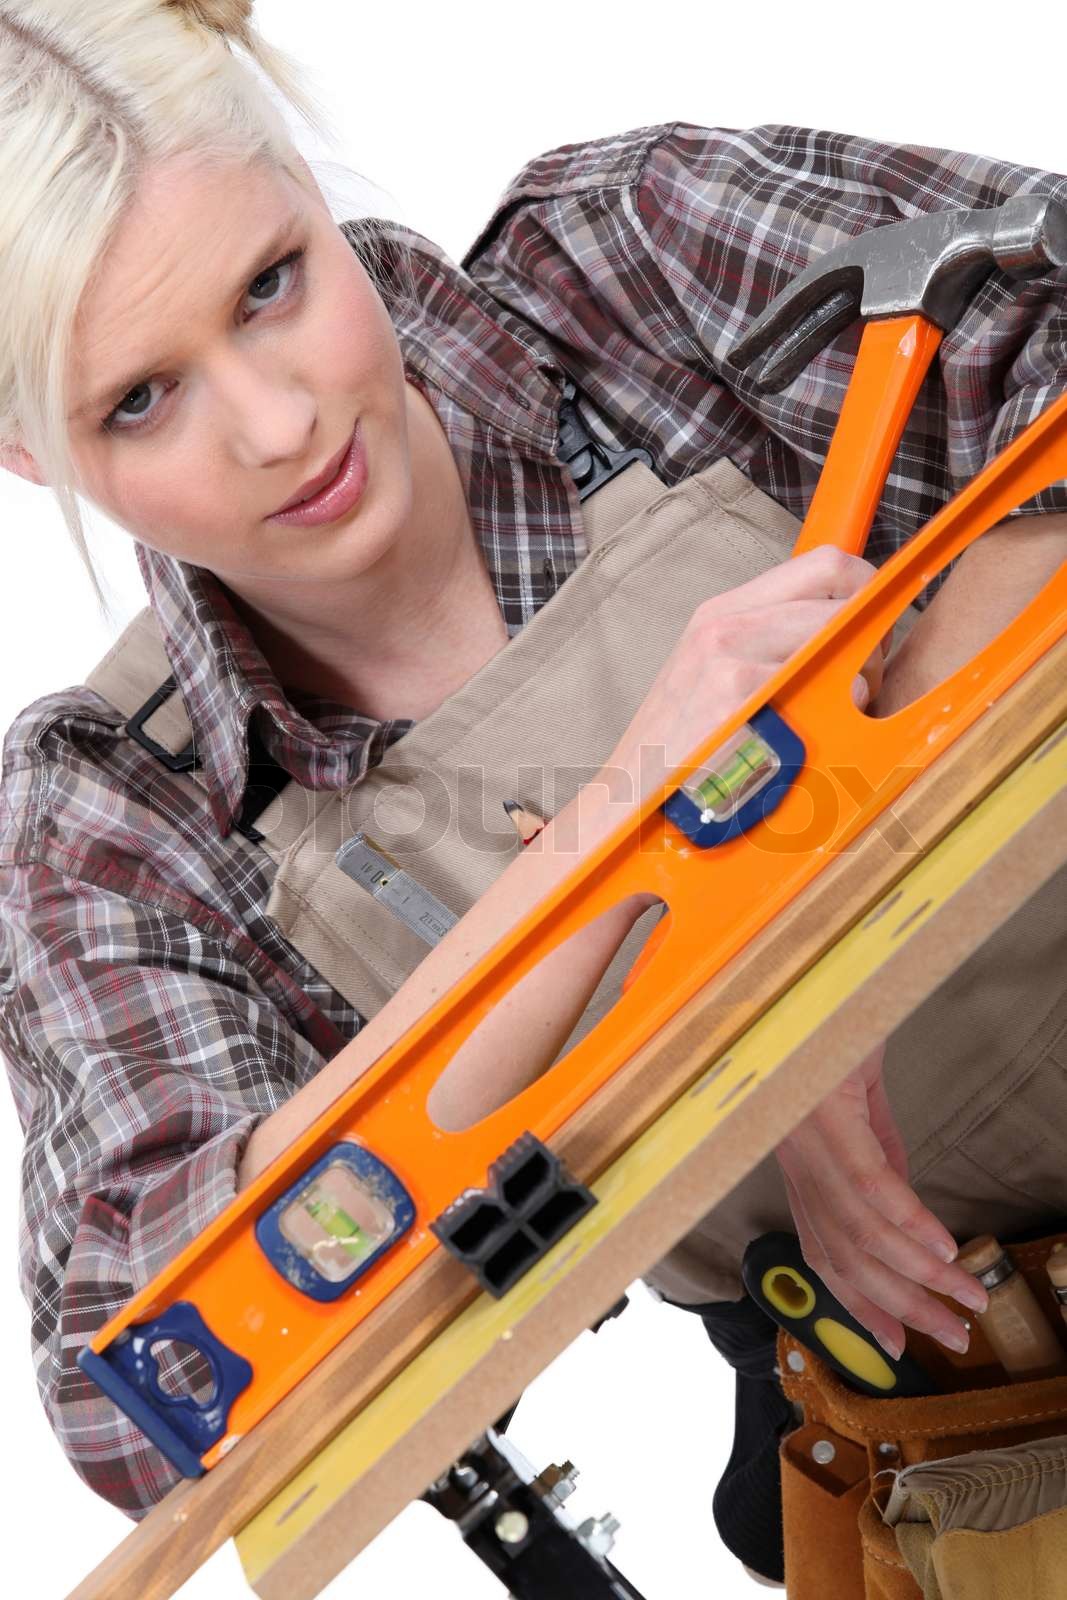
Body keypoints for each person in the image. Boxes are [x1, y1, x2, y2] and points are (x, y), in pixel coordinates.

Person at [1, 1, 1066, 1590]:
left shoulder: (625, 271)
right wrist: (631, 824)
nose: (279, 423)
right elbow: (158, 1390)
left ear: (306, 183)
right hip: (983, 1430)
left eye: (273, 284)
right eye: (140, 401)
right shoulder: (125, 812)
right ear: (24, 447)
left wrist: (802, 909)